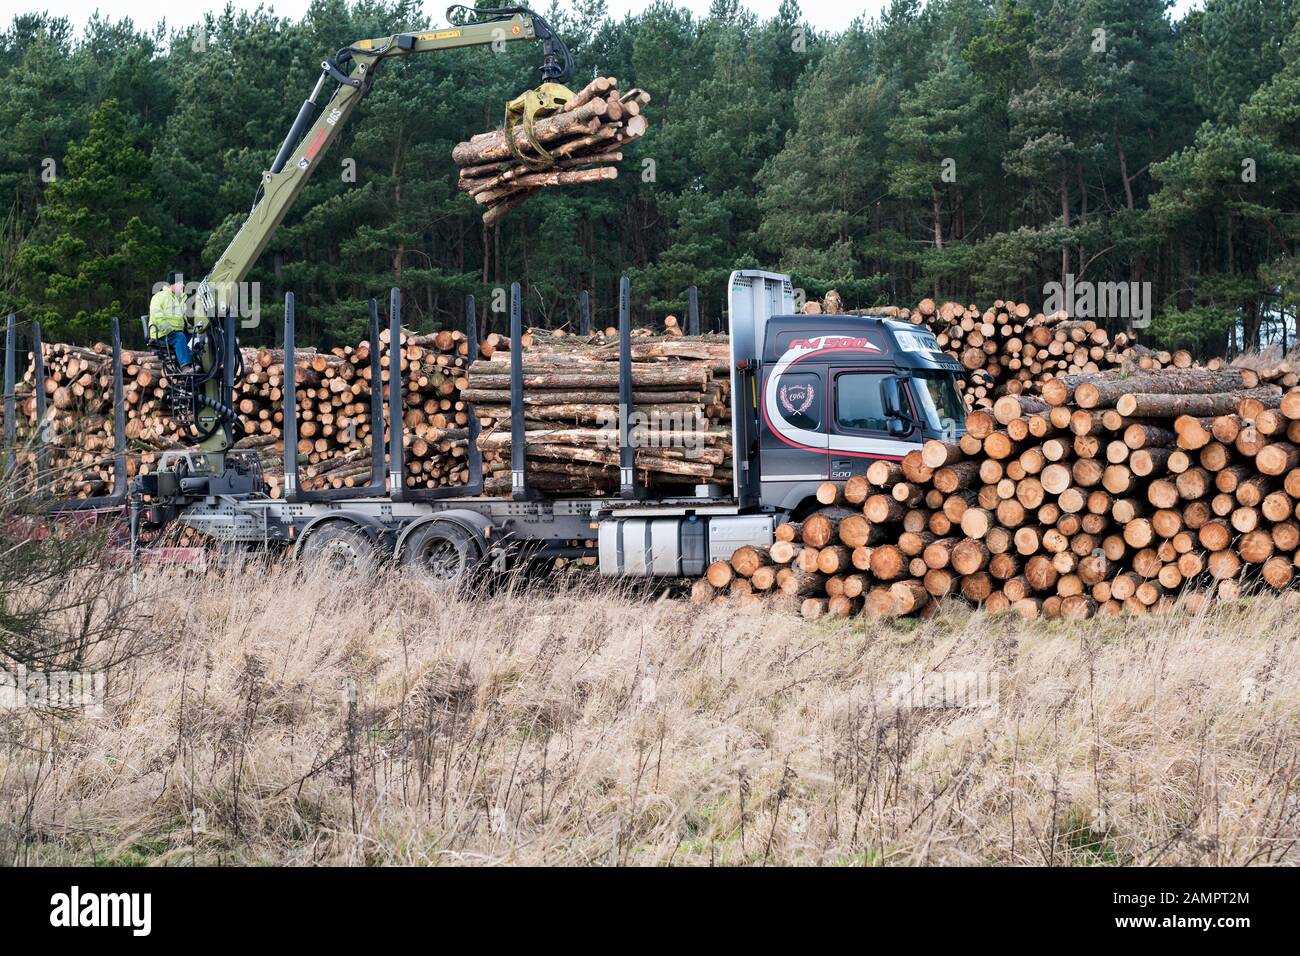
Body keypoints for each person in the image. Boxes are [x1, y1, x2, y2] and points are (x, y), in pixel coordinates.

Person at [149, 271, 194, 373]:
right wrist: (168, 330)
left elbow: (183, 318)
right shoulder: (160, 297)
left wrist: (192, 330)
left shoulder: (180, 298)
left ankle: (197, 365)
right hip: (162, 333)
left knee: (196, 341)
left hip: (176, 332)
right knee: (179, 338)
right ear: (172, 285)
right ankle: (185, 367)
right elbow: (157, 316)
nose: (183, 285)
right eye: (180, 283)